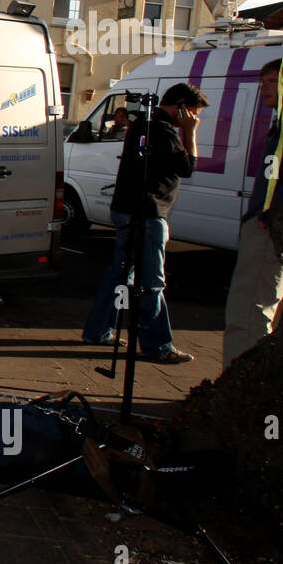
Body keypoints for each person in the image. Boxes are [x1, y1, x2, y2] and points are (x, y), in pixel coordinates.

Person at [82, 82, 209, 363]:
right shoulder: (164, 131)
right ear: (182, 107)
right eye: (193, 113)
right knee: (152, 281)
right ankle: (157, 345)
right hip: (148, 214)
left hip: (127, 209)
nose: (195, 119)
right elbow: (187, 167)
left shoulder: (142, 126)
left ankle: (98, 330)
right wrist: (190, 133)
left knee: (120, 274)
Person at [223, 58, 283, 367]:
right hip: (265, 226)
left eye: (272, 81)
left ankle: (239, 380)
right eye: (263, 81)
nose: (264, 87)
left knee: (248, 312)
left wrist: (265, 217)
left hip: (268, 232)